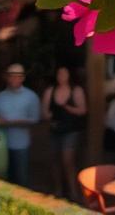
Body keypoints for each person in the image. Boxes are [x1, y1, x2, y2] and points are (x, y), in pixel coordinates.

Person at [0, 63, 41, 188]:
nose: (14, 79)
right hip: (0, 146)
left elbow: (35, 119)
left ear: (23, 78)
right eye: (11, 76)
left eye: (18, 76)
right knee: (1, 180)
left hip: (21, 145)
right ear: (7, 77)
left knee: (21, 180)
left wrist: (11, 122)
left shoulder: (31, 97)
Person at [41, 66, 87, 201]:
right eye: (59, 73)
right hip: (55, 129)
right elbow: (44, 111)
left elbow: (83, 110)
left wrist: (67, 108)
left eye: (64, 73)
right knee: (54, 160)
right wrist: (49, 117)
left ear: (69, 75)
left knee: (68, 161)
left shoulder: (76, 90)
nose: (61, 76)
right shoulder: (50, 91)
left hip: (71, 130)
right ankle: (58, 190)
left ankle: (73, 192)